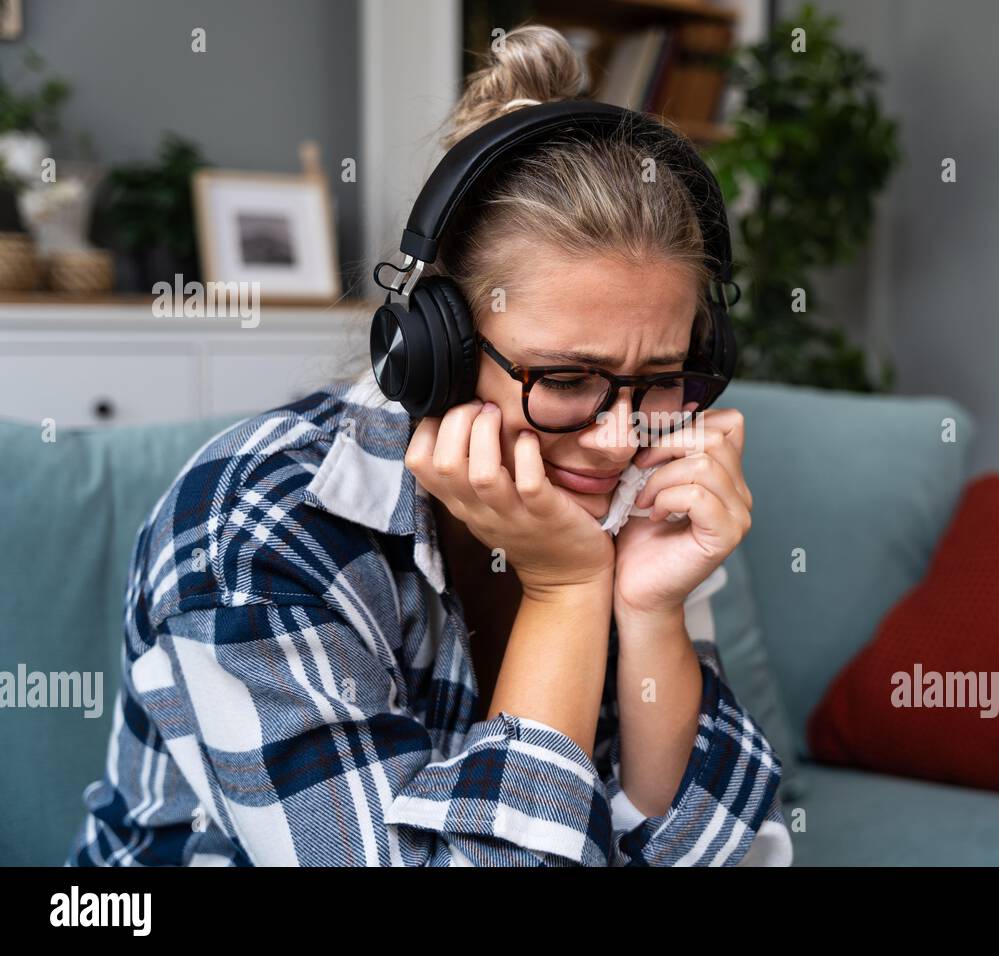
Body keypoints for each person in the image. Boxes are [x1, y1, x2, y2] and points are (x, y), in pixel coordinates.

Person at [67, 24, 791, 867]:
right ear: (432, 352)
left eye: (662, 375)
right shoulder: (254, 530)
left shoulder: (637, 493)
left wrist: (651, 608)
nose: (620, 437)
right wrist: (564, 593)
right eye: (564, 378)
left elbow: (726, 857)